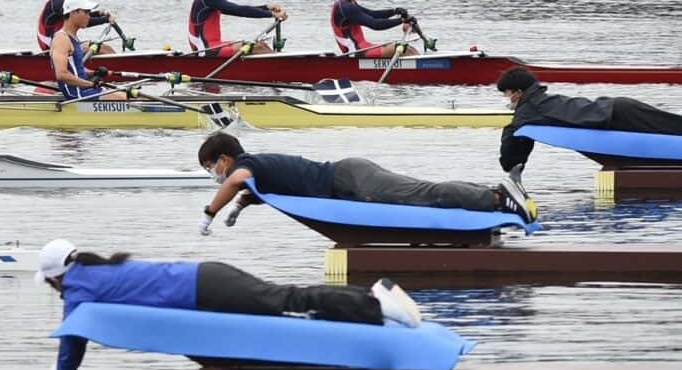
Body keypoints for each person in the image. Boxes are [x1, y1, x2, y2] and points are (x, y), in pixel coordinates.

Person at [35, 239, 422, 370]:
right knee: (284, 304)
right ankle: (364, 320)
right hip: (206, 278)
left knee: (285, 300)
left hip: (208, 287)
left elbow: (73, 336)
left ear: (56, 278)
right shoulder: (92, 271)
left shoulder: (79, 289)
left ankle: (373, 303)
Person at [197, 131, 532, 221]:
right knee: (423, 192)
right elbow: (248, 188)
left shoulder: (246, 166)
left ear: (224, 159)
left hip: (353, 180)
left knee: (424, 195)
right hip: (349, 178)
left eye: (212, 167)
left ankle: (497, 197)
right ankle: (494, 195)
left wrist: (210, 214)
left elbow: (235, 180)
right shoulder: (257, 169)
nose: (214, 174)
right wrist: (241, 208)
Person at [498, 67, 682, 177]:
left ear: (518, 92)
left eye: (506, 93)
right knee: (672, 124)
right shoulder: (541, 99)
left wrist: (512, 168)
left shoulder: (529, 109)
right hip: (617, 109)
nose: (507, 98)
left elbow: (514, 136)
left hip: (618, 115)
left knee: (673, 127)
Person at [49, 0, 127, 102]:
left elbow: (76, 69)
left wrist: (94, 73)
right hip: (77, 95)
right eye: (86, 12)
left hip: (85, 91)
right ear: (73, 13)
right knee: (127, 98)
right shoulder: (61, 39)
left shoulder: (73, 37)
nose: (88, 17)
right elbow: (62, 75)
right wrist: (90, 84)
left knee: (133, 95)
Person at [330, 0, 415, 56]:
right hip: (356, 52)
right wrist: (402, 20)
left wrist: (395, 11)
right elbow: (374, 24)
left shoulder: (347, 3)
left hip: (363, 47)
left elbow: (372, 14)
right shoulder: (345, 7)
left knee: (409, 48)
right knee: (406, 50)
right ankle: (425, 68)